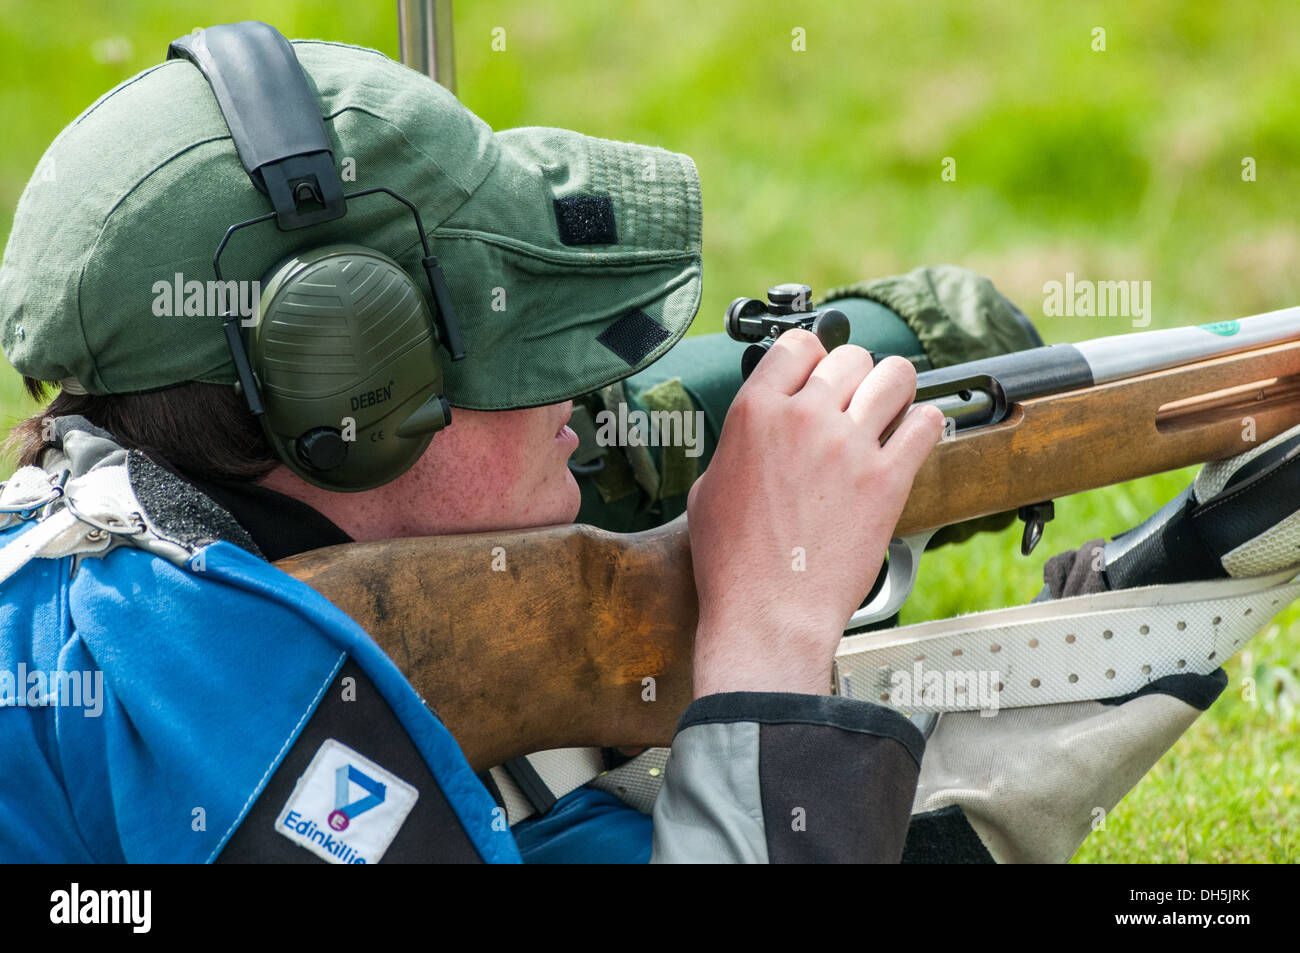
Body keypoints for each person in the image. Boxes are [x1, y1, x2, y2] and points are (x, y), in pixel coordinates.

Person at [3, 23, 1292, 864]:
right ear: (352, 397)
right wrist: (771, 636)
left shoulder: (136, 571)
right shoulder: (234, 718)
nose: (584, 379)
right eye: (519, 343)